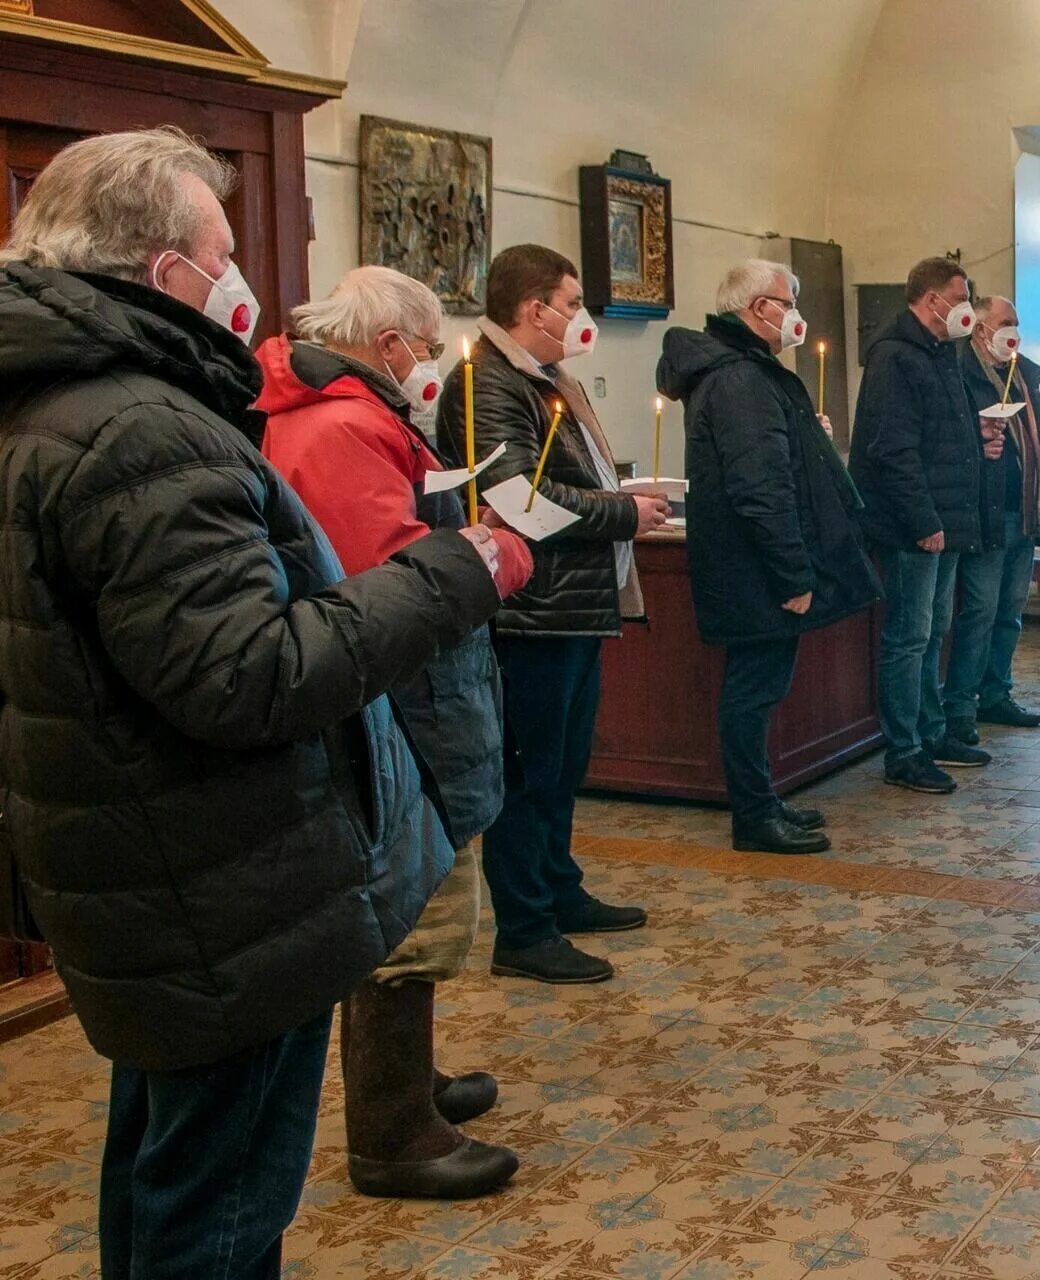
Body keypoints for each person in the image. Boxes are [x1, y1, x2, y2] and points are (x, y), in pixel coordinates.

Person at [0, 127, 514, 1278]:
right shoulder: (137, 426)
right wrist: (453, 571)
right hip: (219, 880)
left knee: (168, 1166)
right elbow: (253, 671)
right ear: (161, 268)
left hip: (144, 859)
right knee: (219, 1205)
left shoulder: (54, 404)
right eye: (222, 251)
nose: (243, 280)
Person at [257, 266, 531, 1200]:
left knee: (421, 893)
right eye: (425, 345)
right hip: (403, 701)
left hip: (411, 695)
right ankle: (391, 1127)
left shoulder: (344, 411)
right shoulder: (337, 425)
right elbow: (391, 578)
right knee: (414, 909)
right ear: (388, 346)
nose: (429, 364)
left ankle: (413, 1078)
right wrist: (497, 552)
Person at [443, 244, 673, 986]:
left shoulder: (541, 376)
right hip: (531, 611)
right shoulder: (484, 381)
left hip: (571, 605)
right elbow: (517, 500)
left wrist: (620, 501)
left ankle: (559, 889)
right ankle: (525, 927)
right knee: (528, 770)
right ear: (532, 308)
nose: (580, 317)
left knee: (564, 765)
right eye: (571, 304)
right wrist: (622, 512)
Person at [657, 260, 881, 854]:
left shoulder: (748, 373)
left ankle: (763, 798)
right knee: (753, 692)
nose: (795, 314)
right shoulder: (739, 379)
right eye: (790, 300)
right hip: (754, 568)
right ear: (759, 309)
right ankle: (753, 816)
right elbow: (760, 485)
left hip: (750, 564)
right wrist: (793, 574)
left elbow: (778, 459)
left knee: (760, 688)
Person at [849, 257, 991, 793]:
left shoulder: (939, 353)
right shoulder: (894, 356)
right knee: (908, 636)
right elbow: (893, 450)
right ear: (932, 300)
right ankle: (903, 750)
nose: (966, 308)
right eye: (960, 298)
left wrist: (979, 439)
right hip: (916, 524)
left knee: (935, 630)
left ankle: (932, 733)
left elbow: (939, 433)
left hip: (945, 518)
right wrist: (923, 520)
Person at [947, 295, 1040, 745]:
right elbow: (958, 443)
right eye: (1005, 322)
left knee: (1010, 612)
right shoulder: (962, 375)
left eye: (1016, 322)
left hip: (1026, 509)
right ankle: (960, 705)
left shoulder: (1023, 374)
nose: (1013, 331)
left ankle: (996, 694)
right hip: (987, 511)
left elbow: (1031, 438)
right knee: (978, 611)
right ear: (980, 329)